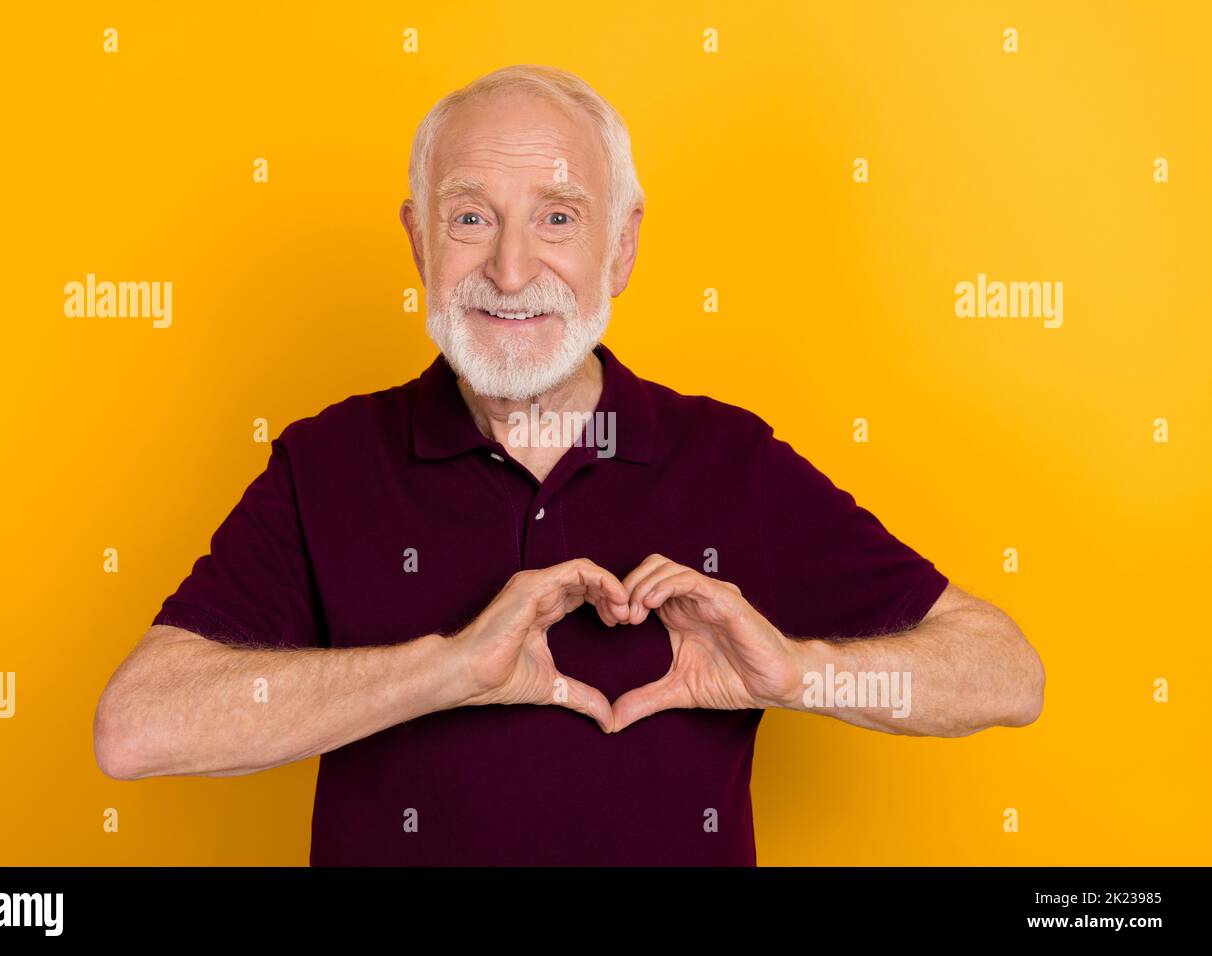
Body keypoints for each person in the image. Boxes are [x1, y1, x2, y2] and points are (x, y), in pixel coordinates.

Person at [93, 64, 1044, 866]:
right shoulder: (327, 463)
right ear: (419, 241)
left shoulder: (727, 460)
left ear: (621, 246)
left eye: (557, 218)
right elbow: (137, 729)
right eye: (470, 219)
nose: (511, 271)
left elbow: (1003, 673)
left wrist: (795, 674)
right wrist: (445, 672)